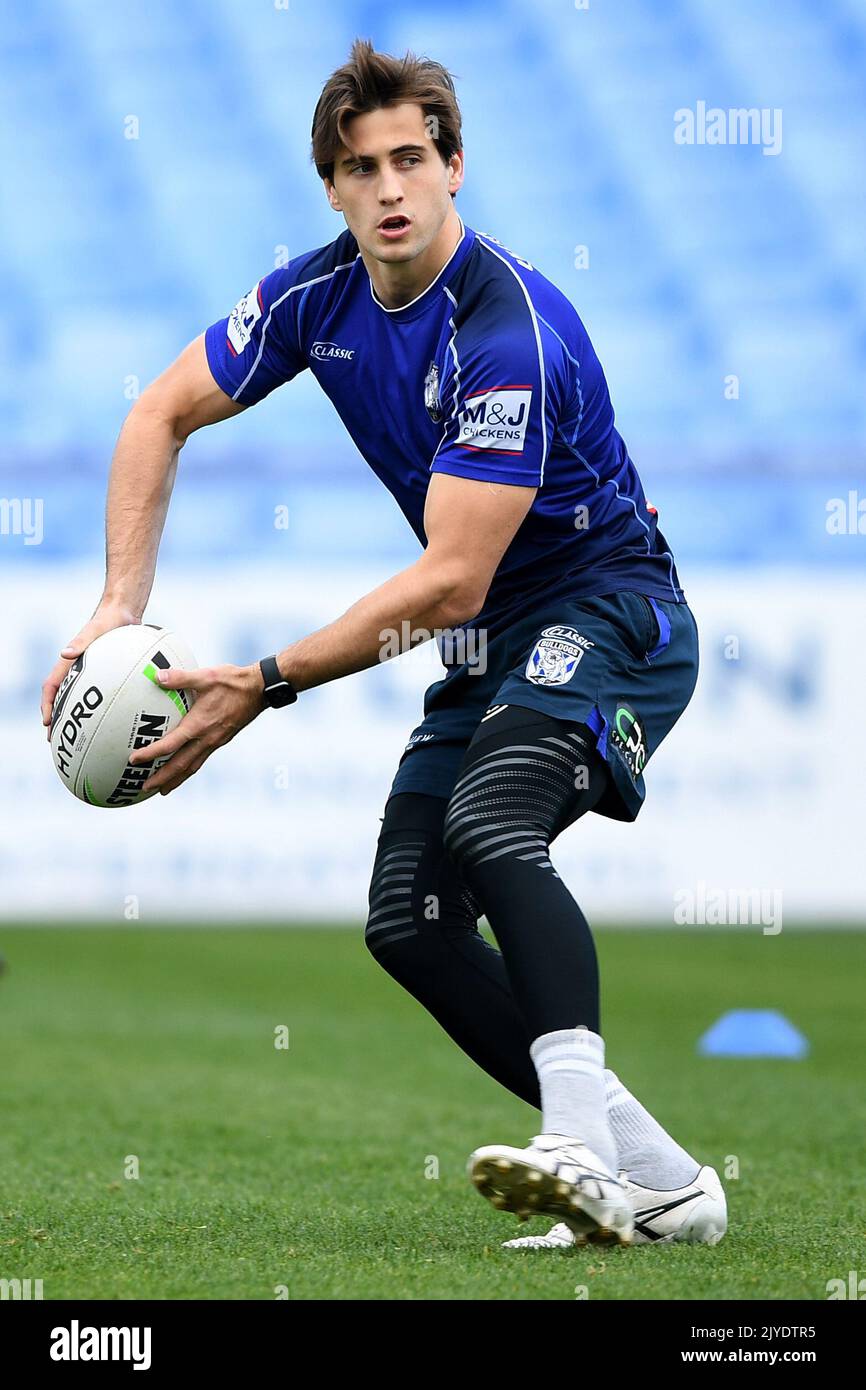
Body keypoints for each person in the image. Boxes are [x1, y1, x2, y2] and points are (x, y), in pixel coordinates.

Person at [41, 39, 725, 1249]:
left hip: (609, 607)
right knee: (406, 921)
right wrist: (116, 606)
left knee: (492, 821)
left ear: (455, 165)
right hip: (492, 636)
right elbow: (157, 412)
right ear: (334, 189)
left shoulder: (502, 329)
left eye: (413, 158)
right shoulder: (317, 296)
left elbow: (453, 580)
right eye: (362, 168)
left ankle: (574, 1146)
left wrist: (262, 681)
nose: (391, 188)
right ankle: (664, 1181)